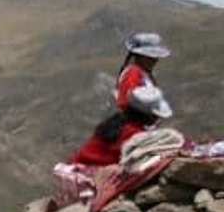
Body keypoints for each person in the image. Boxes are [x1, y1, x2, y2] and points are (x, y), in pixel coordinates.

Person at [67, 31, 174, 166]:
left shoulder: (143, 74)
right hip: (132, 124)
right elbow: (126, 102)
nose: (155, 60)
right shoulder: (133, 74)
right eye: (150, 56)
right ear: (140, 56)